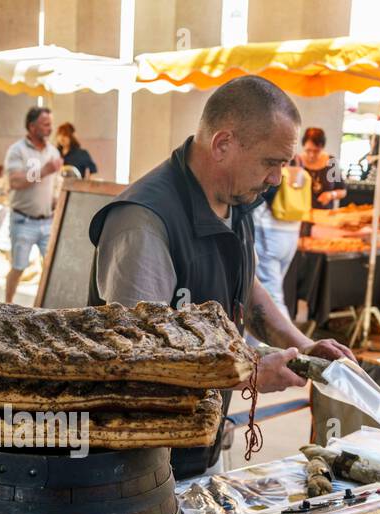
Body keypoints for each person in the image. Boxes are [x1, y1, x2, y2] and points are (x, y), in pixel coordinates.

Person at [89, 76, 355, 479]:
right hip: (133, 466)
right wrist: (247, 371)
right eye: (271, 162)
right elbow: (139, 355)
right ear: (222, 144)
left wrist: (303, 346)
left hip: (198, 445)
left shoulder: (236, 200)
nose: (277, 179)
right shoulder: (143, 221)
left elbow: (245, 286)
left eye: (284, 164)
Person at [3, 106, 62, 303]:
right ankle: (8, 305)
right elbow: (15, 182)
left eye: (50, 124)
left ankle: (44, 304)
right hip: (23, 221)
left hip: (48, 221)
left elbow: (55, 184)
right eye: (45, 124)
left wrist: (56, 200)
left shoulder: (53, 151)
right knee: (19, 266)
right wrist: (44, 170)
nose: (50, 128)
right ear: (32, 126)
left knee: (53, 267)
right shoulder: (17, 150)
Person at [253, 159, 308, 317]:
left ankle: (288, 342)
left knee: (270, 297)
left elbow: (259, 199)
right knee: (268, 293)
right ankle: (254, 341)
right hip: (291, 234)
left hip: (268, 233)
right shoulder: (301, 171)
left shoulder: (272, 171)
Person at [299, 127, 345, 209]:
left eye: (316, 151)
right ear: (303, 146)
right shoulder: (297, 162)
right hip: (300, 214)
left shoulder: (331, 162)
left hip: (325, 215)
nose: (311, 155)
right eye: (308, 150)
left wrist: (331, 195)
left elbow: (342, 191)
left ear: (322, 147)